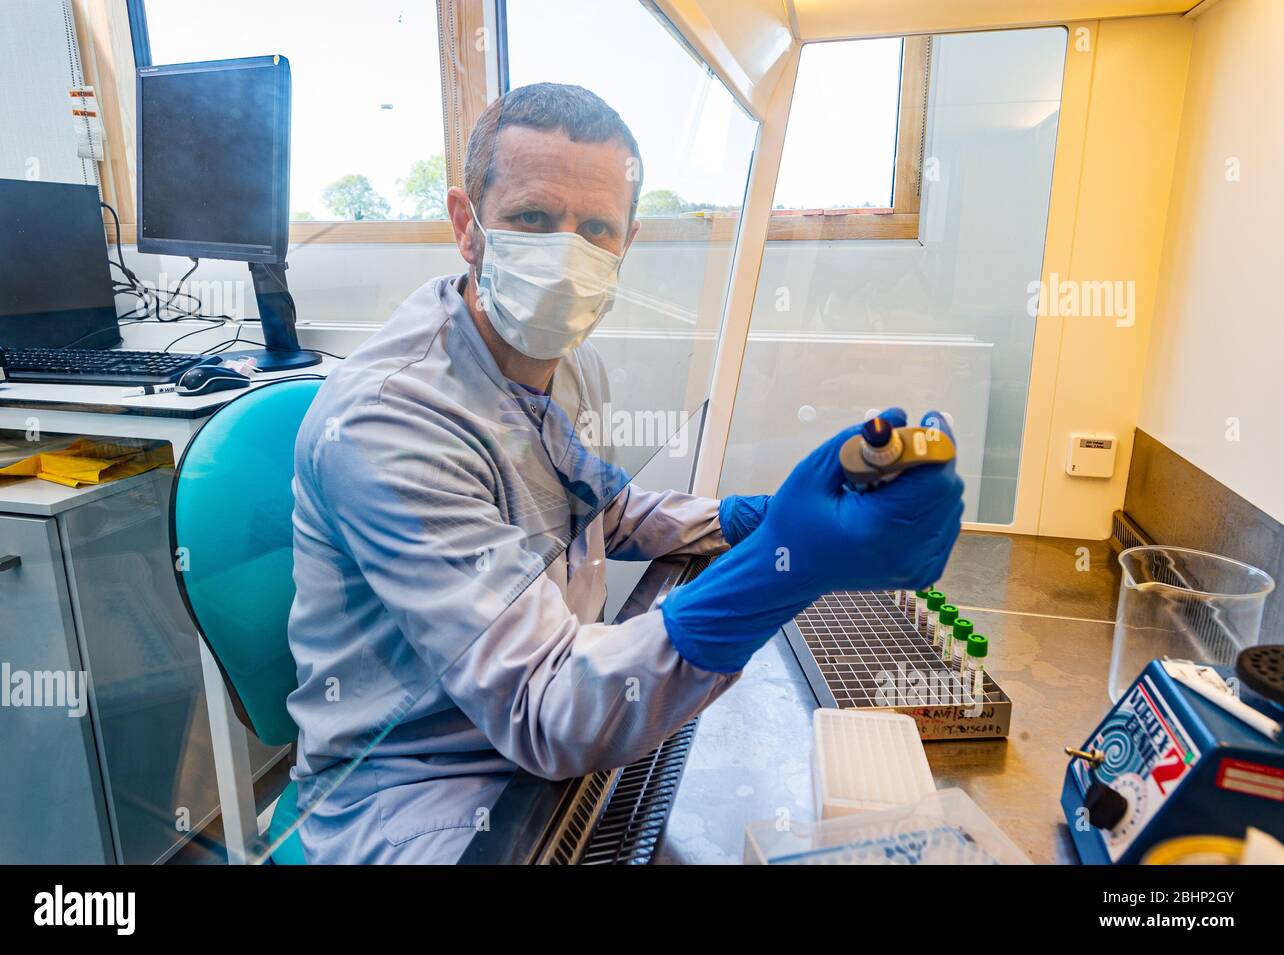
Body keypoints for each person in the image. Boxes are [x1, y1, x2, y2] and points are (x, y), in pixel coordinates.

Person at [286, 82, 964, 863]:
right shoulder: (390, 420)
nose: (567, 255)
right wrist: (788, 564)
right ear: (467, 226)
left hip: (550, 745)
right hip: (419, 797)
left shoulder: (565, 364)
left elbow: (595, 507)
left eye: (596, 229)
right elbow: (544, 707)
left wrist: (751, 518)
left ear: (626, 243)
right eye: (534, 219)